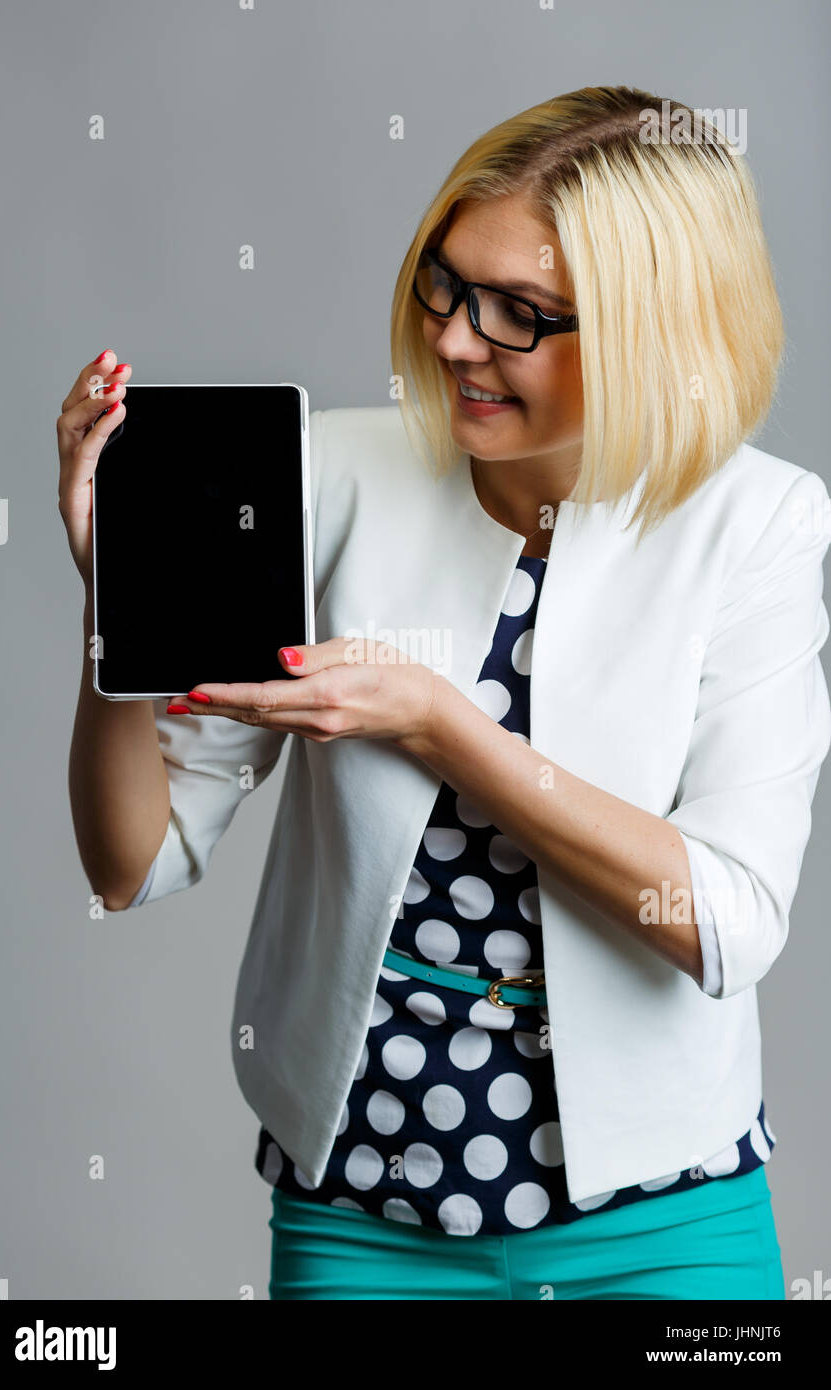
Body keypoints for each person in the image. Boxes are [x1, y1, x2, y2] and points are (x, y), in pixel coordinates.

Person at [60, 85, 831, 1300]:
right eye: (445, 282)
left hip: (666, 1225)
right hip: (364, 1216)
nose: (455, 339)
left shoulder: (759, 525)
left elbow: (724, 923)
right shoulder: (329, 473)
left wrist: (441, 727)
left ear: (654, 330)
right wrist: (116, 604)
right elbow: (132, 864)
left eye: (520, 313)